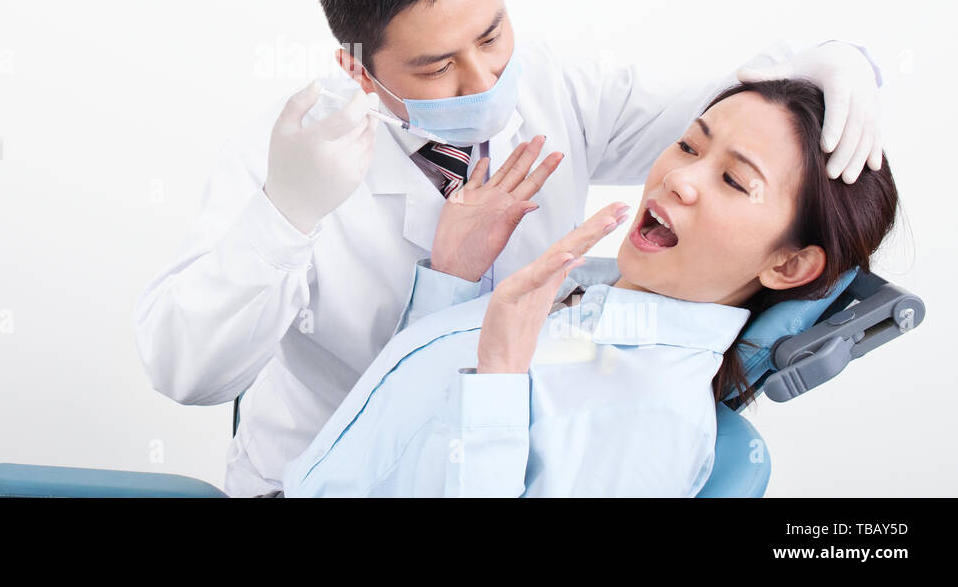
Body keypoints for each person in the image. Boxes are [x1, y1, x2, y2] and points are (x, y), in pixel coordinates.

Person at [134, 0, 885, 496]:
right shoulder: (288, 159)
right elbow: (186, 370)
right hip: (308, 468)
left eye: (493, 36)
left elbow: (741, 124)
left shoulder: (561, 92)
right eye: (436, 67)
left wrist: (835, 60)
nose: (484, 80)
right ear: (358, 70)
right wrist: (285, 215)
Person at [283, 78, 900, 496]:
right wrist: (451, 280)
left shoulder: (658, 416)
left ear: (789, 267)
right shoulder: (584, 292)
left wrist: (500, 379)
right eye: (689, 145)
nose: (679, 178)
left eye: (735, 182)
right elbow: (415, 429)